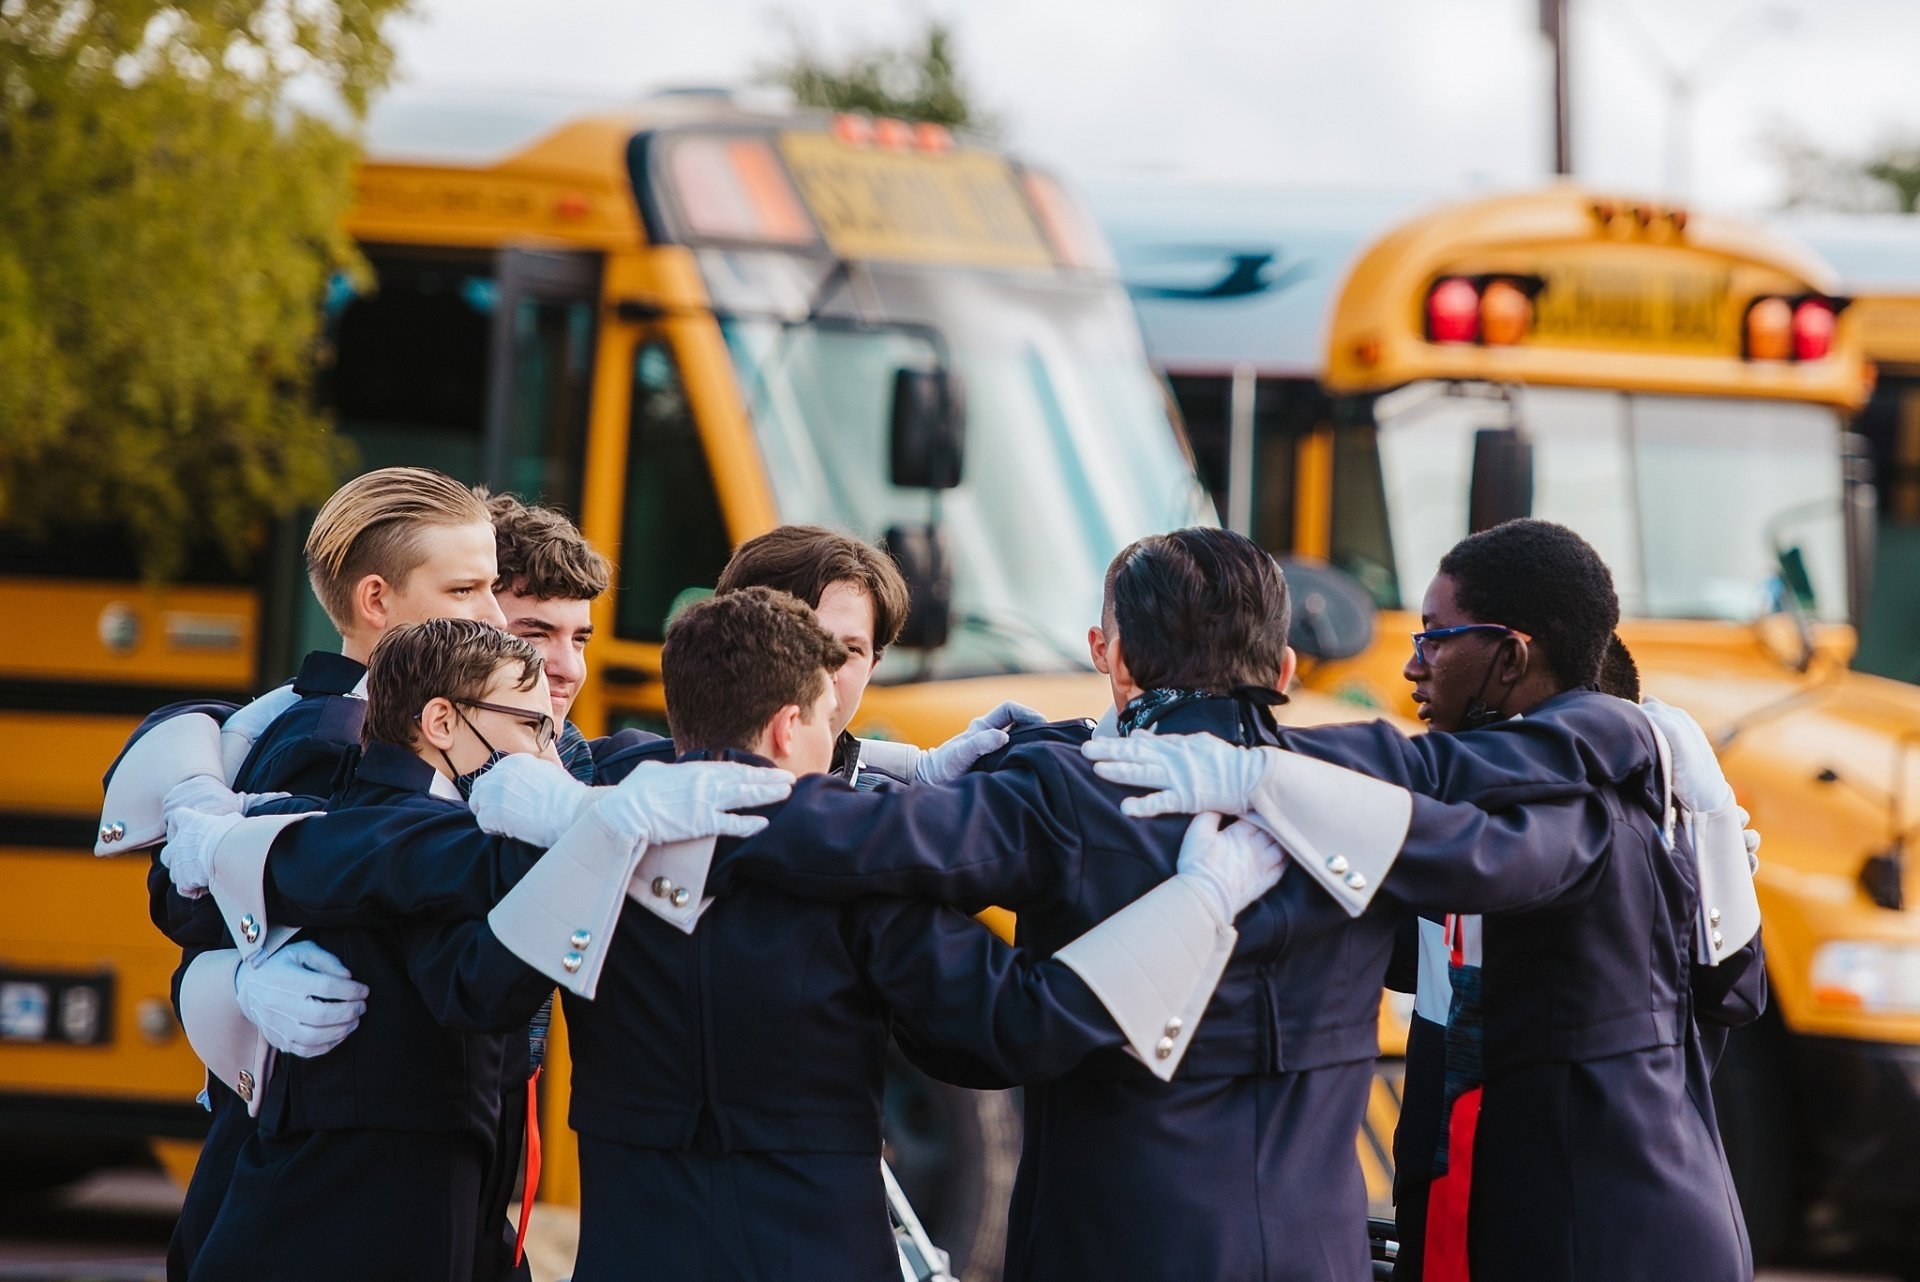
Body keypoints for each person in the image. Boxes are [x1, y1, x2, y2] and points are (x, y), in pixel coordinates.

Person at [490, 526, 1624, 1281]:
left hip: (1114, 1241)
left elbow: (875, 856)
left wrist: (642, 796)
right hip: (1322, 1246)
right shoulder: (1362, 791)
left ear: (1114, 658)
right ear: (1281, 667)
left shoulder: (1065, 790)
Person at [1086, 520, 1763, 1282]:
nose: (1412, 665)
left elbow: (1430, 795)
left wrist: (1261, 766)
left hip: (1602, 1242)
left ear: (1510, 657)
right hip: (1483, 1224)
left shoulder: (1591, 804)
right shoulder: (1498, 817)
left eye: (1436, 638)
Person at [551, 586, 1283, 1280]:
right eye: (822, 721)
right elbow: (1021, 1022)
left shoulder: (584, 844)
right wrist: (1201, 902)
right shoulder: (855, 885)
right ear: (785, 726)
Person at [99, 465, 508, 1281]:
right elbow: (204, 897)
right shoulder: (334, 740)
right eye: (465, 590)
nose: (496, 618)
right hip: (340, 1174)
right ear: (376, 601)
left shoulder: (298, 718)